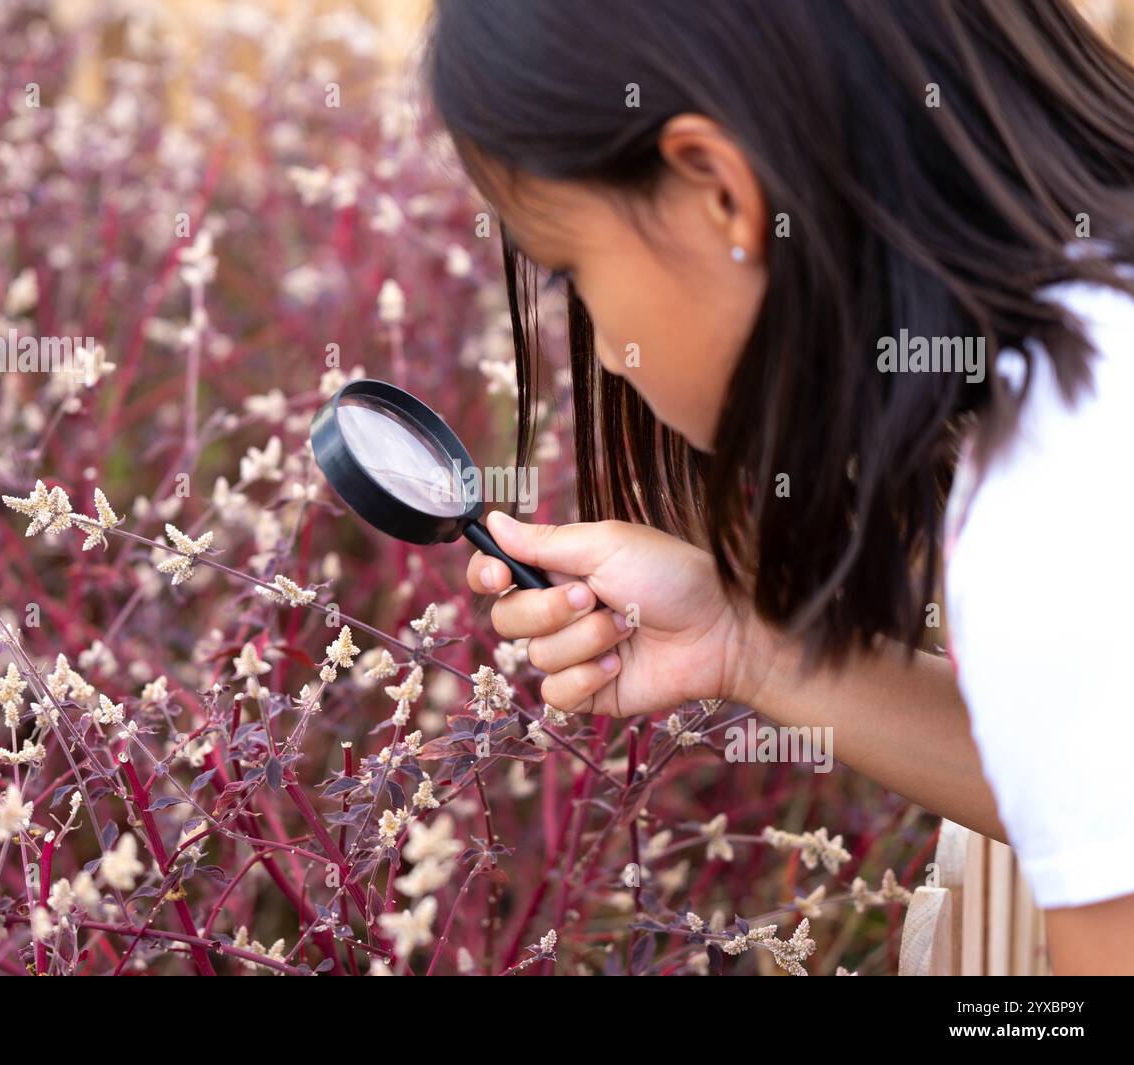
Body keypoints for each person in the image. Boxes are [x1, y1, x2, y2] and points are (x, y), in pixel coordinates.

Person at [426, 0, 1134, 974]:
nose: (592, 336)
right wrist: (749, 645)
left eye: (566, 272)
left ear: (717, 190)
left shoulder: (1056, 494)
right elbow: (1096, 789)